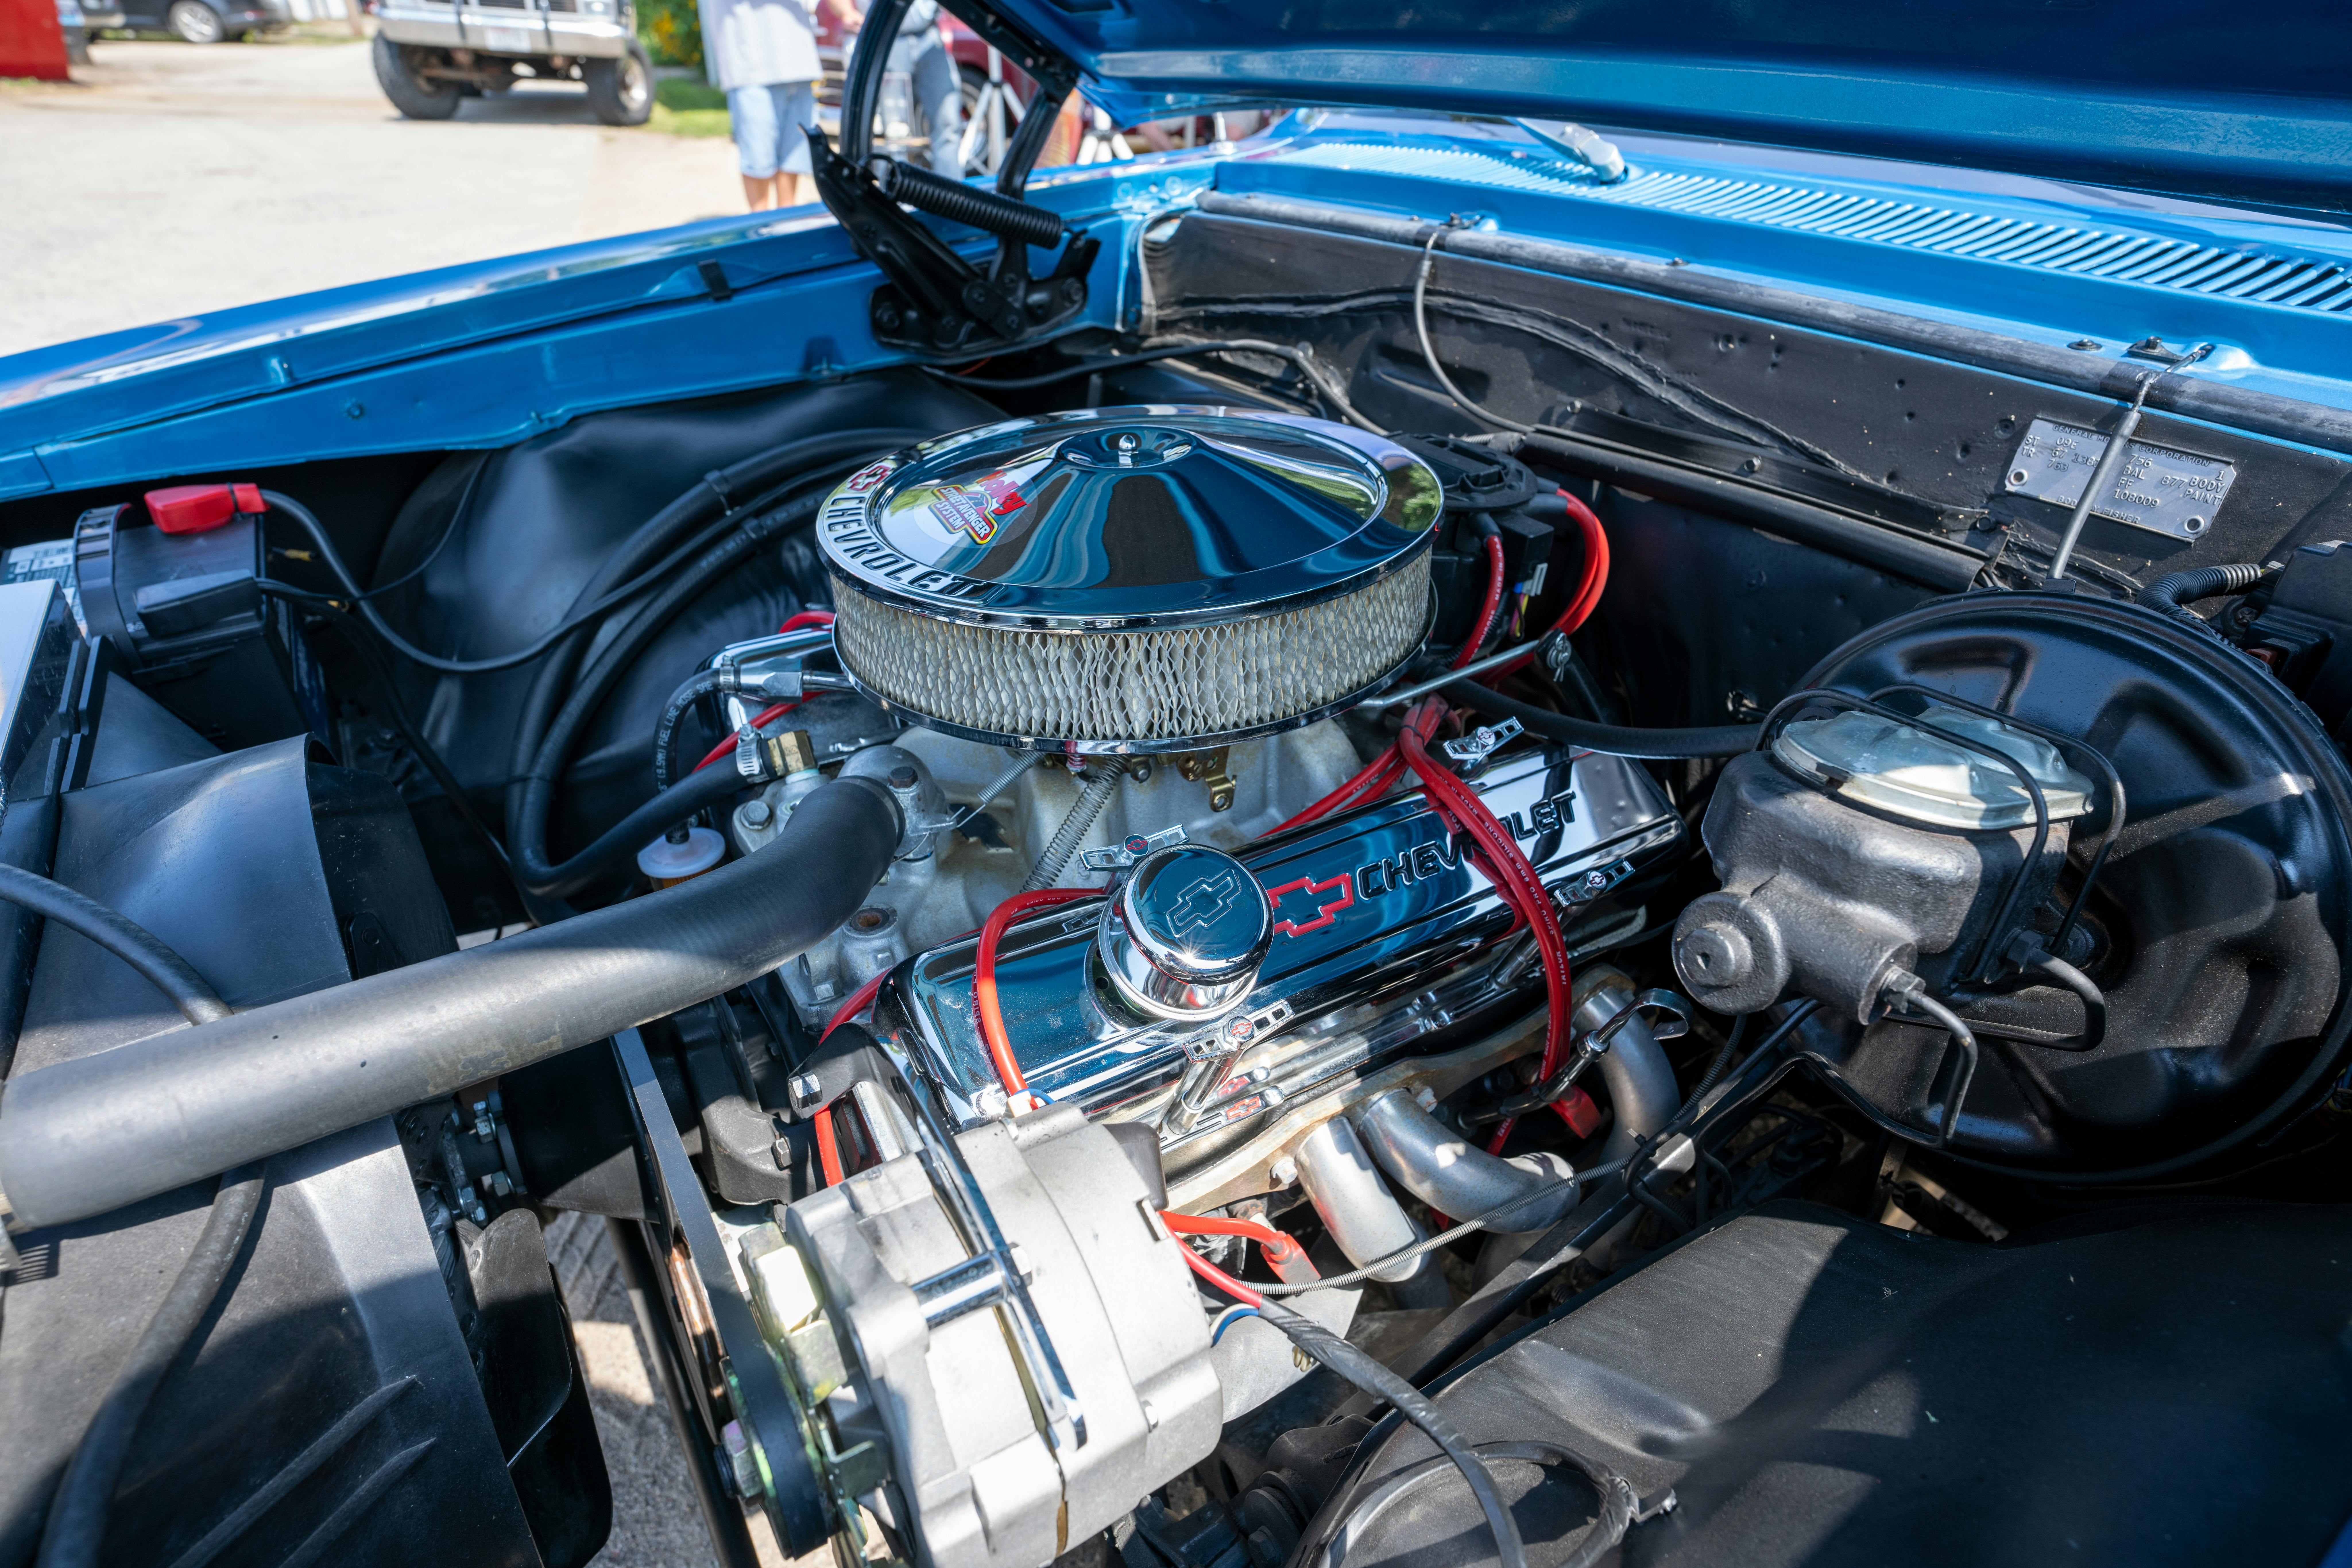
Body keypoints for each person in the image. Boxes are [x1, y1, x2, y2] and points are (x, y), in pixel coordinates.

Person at [699, 0, 864, 211]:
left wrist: (847, 13)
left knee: (794, 156)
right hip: (750, 62)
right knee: (758, 158)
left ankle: (786, 216)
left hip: (798, 61)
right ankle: (761, 222)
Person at [888, 0, 962, 175]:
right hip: (888, 36)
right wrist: (847, 14)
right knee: (894, 131)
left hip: (929, 34)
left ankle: (951, 189)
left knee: (948, 122)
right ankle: (893, 187)